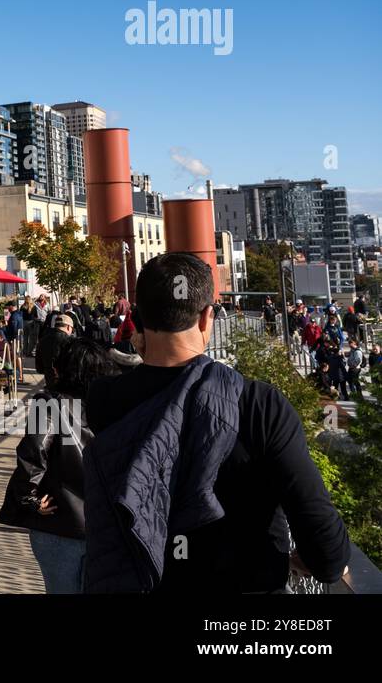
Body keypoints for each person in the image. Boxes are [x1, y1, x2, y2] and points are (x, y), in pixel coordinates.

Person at [84, 253, 351, 592]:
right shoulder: (258, 404)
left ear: (138, 318)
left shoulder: (104, 401)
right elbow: (327, 551)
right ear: (206, 317)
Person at [0, 339, 116, 593]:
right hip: (106, 522)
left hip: (60, 519)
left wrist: (28, 498)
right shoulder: (113, 406)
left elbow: (33, 452)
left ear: (63, 368)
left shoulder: (50, 403)